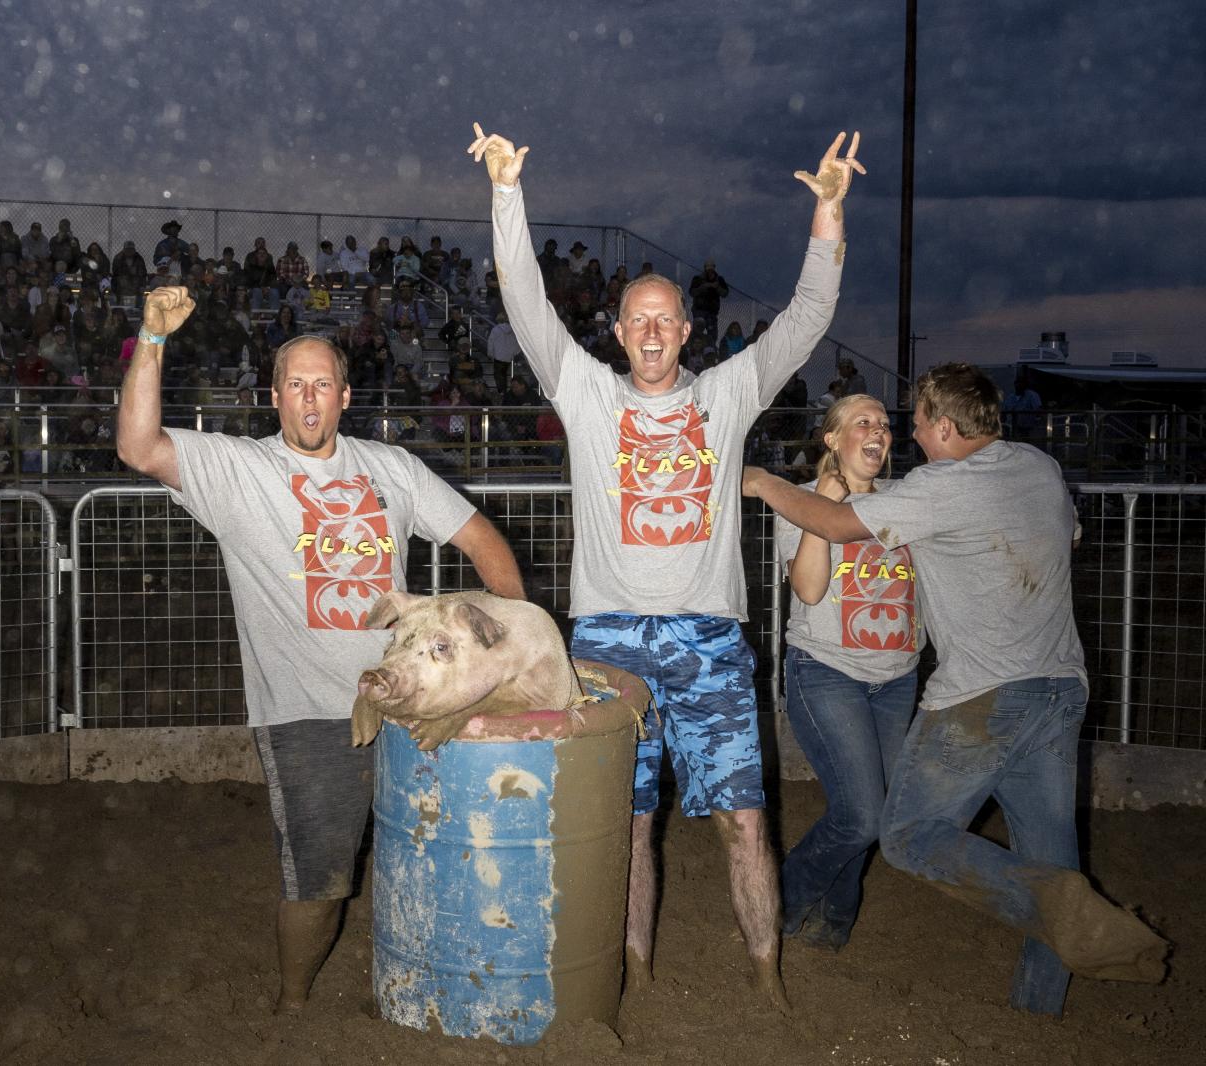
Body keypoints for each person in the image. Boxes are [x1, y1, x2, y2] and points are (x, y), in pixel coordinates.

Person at [471, 120, 863, 1008]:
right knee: (628, 823)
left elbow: (807, 320)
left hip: (710, 640)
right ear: (617, 331)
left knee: (744, 820)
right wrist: (505, 192)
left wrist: (829, 217)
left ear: (687, 330)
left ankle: (768, 981)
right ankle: (635, 978)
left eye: (665, 320)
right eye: (636, 320)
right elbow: (524, 300)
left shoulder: (729, 392)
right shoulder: (585, 392)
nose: (651, 333)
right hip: (608, 640)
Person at [116, 286, 524, 1013]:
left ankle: (435, 985)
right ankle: (294, 1007)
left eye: (323, 384)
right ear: (274, 397)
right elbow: (138, 447)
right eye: (296, 385)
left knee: (442, 852)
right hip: (308, 717)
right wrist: (151, 340)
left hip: (416, 704)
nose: (310, 398)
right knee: (321, 880)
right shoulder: (240, 471)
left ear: (345, 396)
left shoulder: (392, 468)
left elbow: (482, 539)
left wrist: (508, 646)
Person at [742, 362, 1170, 1017]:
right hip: (1060, 687)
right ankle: (1038, 1008)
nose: (906, 434)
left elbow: (835, 525)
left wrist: (761, 481)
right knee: (1051, 857)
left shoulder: (937, 487)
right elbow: (1068, 538)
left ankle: (1060, 906)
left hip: (983, 697)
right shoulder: (1039, 467)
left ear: (944, 427)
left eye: (913, 423)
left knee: (908, 835)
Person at [772, 394, 921, 953]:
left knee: (873, 812)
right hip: (827, 672)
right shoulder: (800, 501)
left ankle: (835, 918)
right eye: (863, 422)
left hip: (898, 677)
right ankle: (782, 902)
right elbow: (809, 590)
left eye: (883, 424)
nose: (878, 431)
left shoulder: (908, 500)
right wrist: (824, 507)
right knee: (862, 817)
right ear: (832, 439)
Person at [690, 258, 729, 338]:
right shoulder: (698, 279)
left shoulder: (719, 280)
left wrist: (717, 287)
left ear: (714, 268)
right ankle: (696, 344)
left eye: (711, 267)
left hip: (712, 312)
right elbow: (692, 292)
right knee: (697, 333)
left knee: (712, 335)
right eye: (708, 267)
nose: (710, 269)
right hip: (699, 310)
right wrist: (703, 287)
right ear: (705, 268)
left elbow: (725, 293)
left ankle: (710, 346)